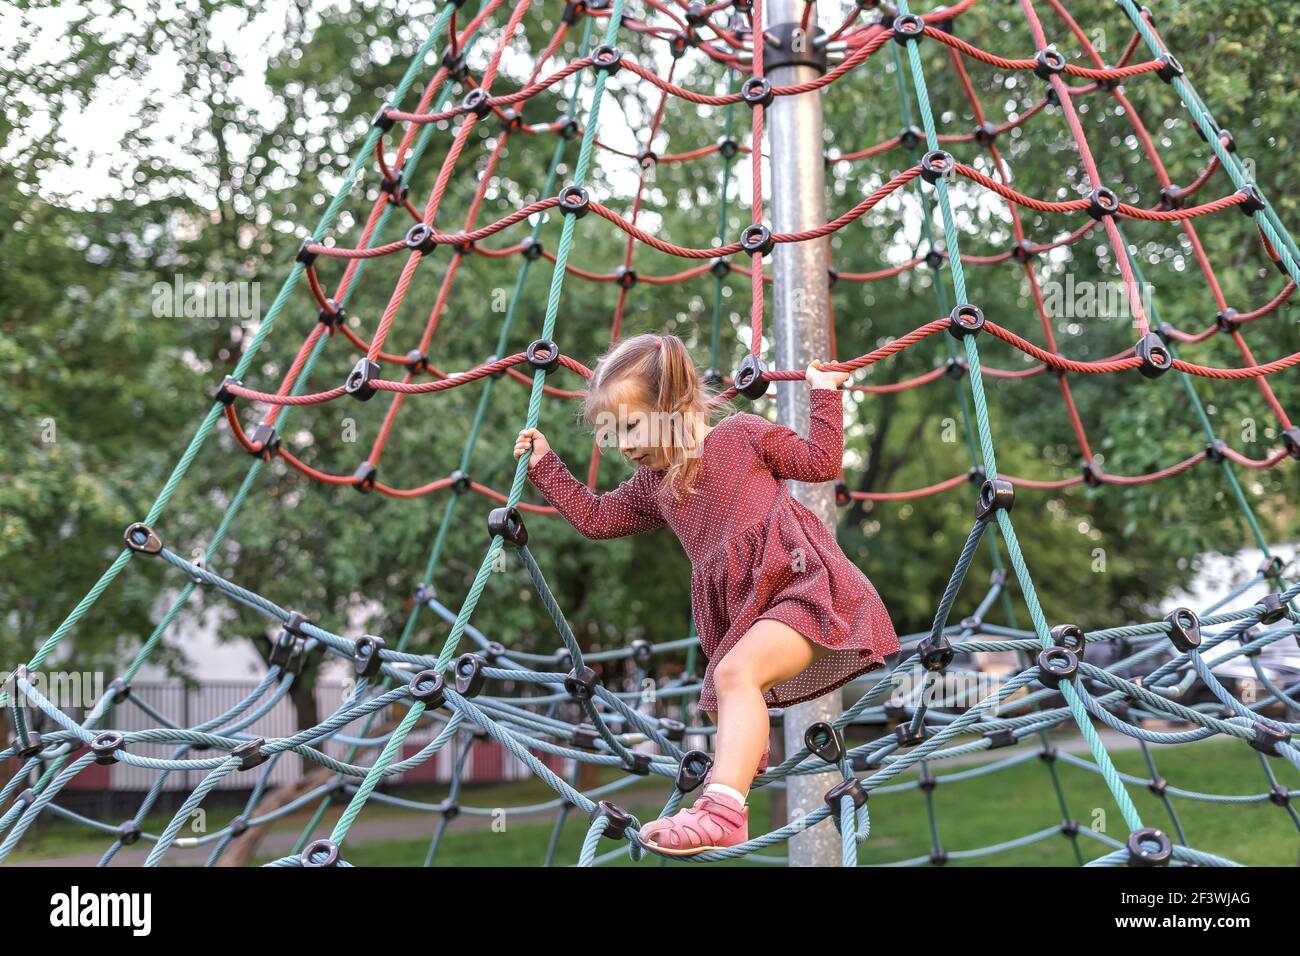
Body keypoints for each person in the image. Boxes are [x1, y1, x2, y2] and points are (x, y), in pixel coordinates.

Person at [514, 332, 899, 855]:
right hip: (743, 617)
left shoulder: (740, 436)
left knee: (733, 675)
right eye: (612, 433)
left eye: (631, 426)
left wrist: (825, 392)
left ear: (673, 404)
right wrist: (545, 466)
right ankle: (736, 769)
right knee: (725, 687)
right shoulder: (655, 485)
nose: (623, 445)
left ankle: (723, 812)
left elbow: (821, 463)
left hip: (806, 592)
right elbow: (597, 518)